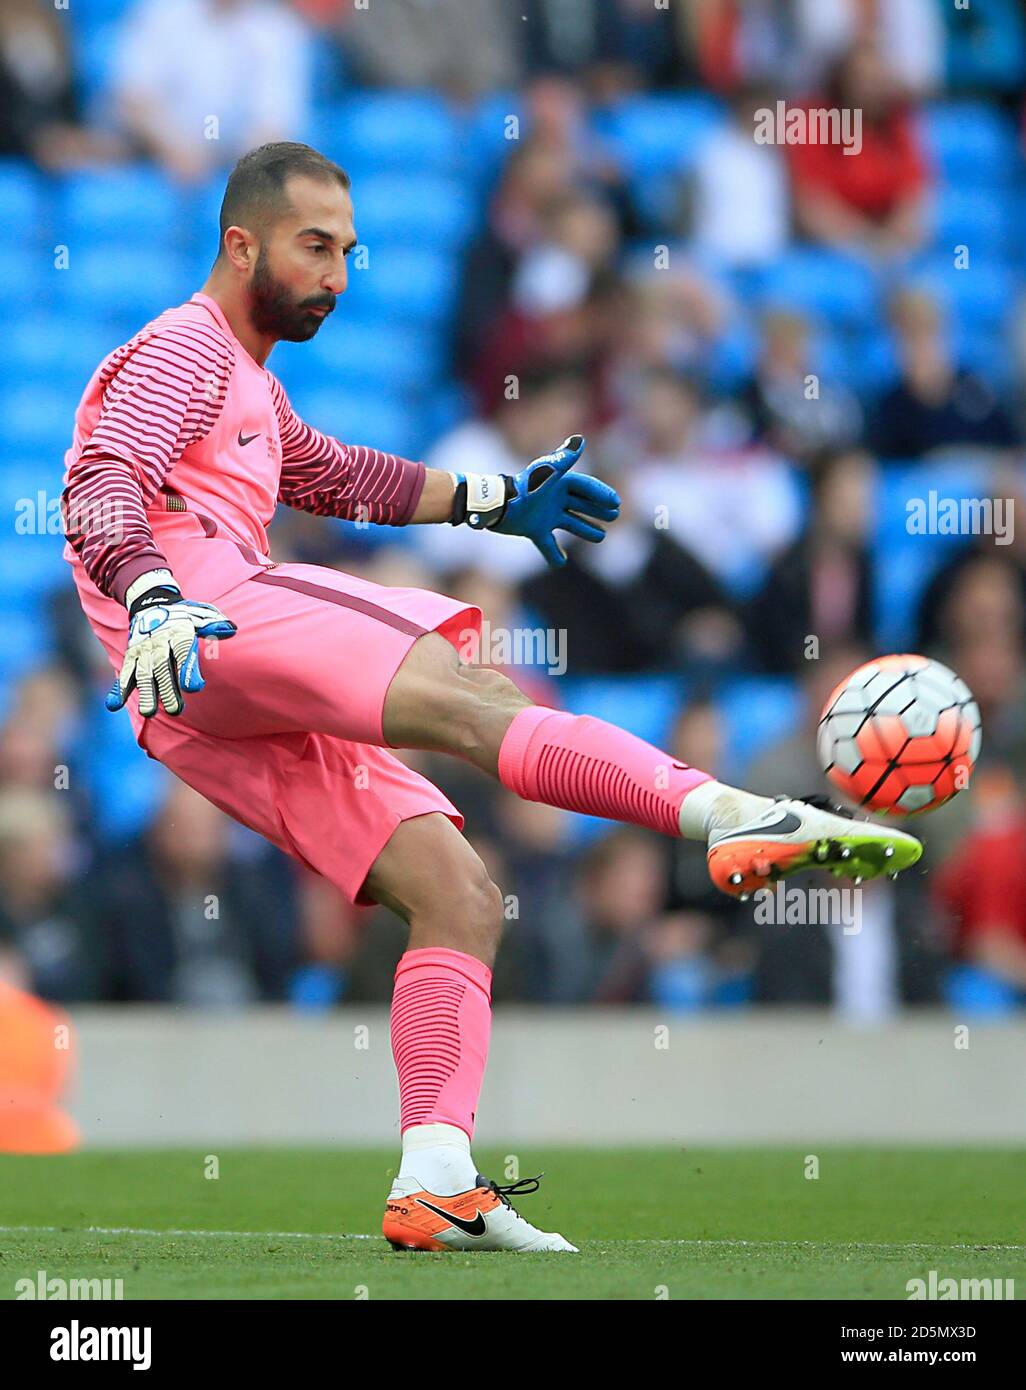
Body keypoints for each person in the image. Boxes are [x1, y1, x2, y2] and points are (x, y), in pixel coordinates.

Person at [61, 141, 922, 1254]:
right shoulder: (185, 345)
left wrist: (493, 499)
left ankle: (436, 1175)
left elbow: (332, 472)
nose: (337, 274)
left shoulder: (248, 382)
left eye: (351, 253)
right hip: (203, 614)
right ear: (242, 243)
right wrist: (158, 592)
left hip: (182, 691)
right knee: (474, 695)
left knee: (460, 892)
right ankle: (724, 815)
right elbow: (97, 484)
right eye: (315, 246)